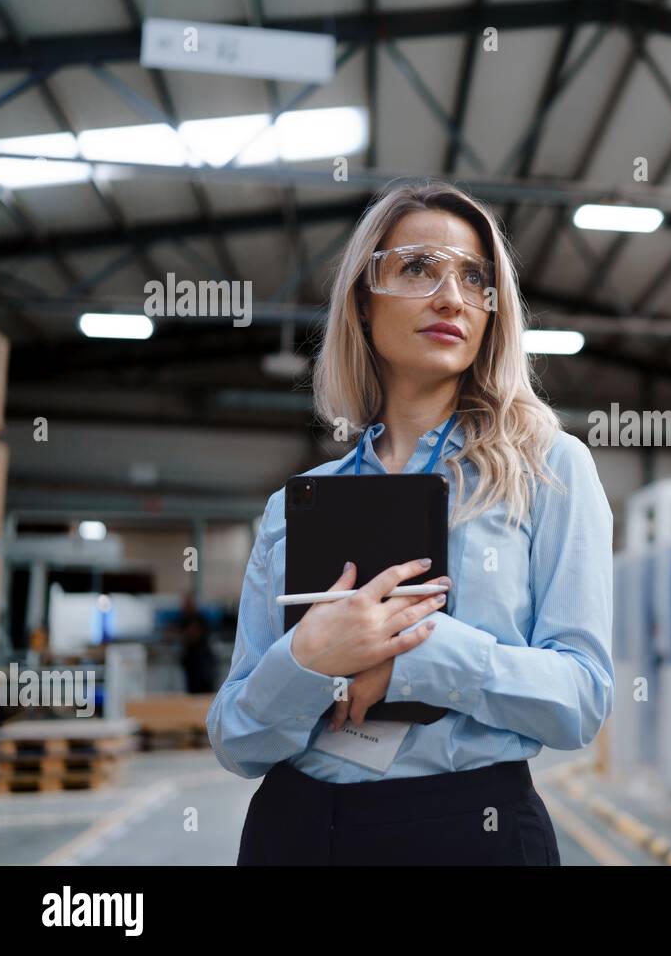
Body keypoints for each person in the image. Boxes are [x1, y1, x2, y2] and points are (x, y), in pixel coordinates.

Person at [207, 180, 615, 865]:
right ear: (364, 303)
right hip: (296, 828)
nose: (453, 296)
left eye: (475, 277)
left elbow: (581, 698)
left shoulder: (550, 470)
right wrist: (309, 661)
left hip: (467, 830)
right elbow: (235, 736)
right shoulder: (295, 506)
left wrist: (414, 660)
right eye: (420, 267)